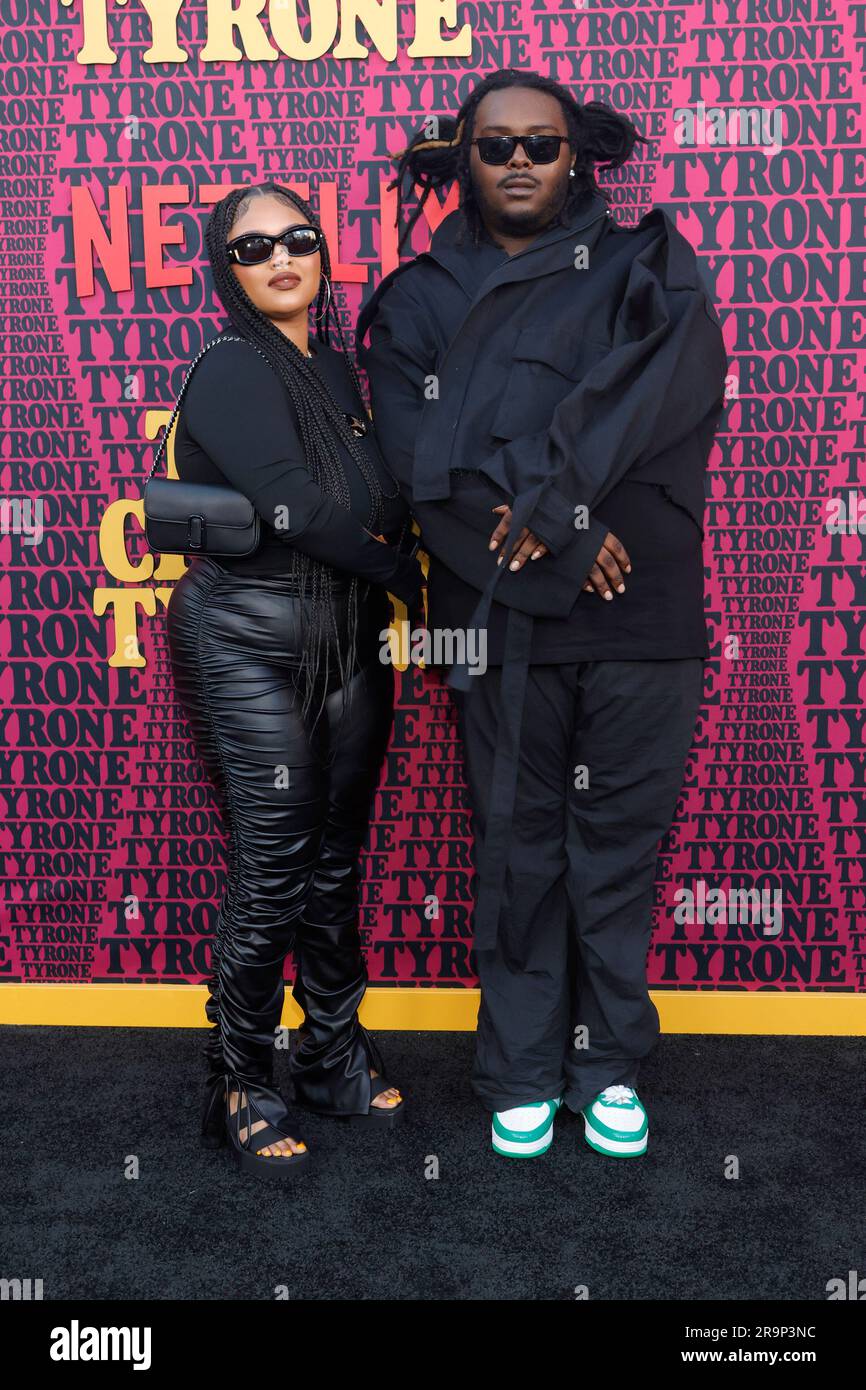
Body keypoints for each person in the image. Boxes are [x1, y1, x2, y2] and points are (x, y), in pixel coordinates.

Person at [357, 69, 728, 1160]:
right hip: (495, 611)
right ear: (459, 161)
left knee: (614, 846)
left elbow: (671, 400)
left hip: (640, 611)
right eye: (495, 145)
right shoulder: (417, 296)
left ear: (577, 157)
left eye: (540, 144)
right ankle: (521, 1066)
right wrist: (562, 532)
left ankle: (604, 1061)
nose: (519, 161)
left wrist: (557, 500)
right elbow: (420, 464)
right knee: (517, 847)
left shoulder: (645, 264)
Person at [164, 180, 424, 1179]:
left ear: (322, 253)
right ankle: (241, 1078)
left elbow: (371, 497)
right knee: (274, 863)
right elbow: (295, 511)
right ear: (224, 270)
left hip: (346, 639)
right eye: (252, 246)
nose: (280, 257)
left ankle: (327, 1051)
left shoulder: (338, 370)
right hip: (247, 640)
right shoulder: (234, 365)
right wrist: (409, 579)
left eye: (297, 239)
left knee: (334, 860)